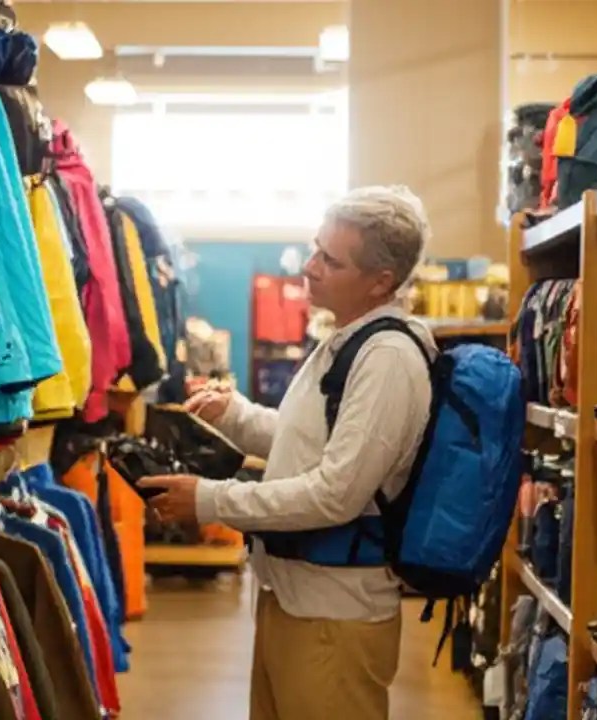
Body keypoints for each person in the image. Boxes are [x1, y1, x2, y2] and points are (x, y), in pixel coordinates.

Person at [138, 185, 436, 720]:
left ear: (380, 282)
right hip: (294, 597)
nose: (311, 266)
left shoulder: (388, 359)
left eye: (331, 259)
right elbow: (308, 444)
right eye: (315, 248)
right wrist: (233, 414)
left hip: (335, 617)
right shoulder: (347, 340)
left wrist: (211, 501)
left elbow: (335, 495)